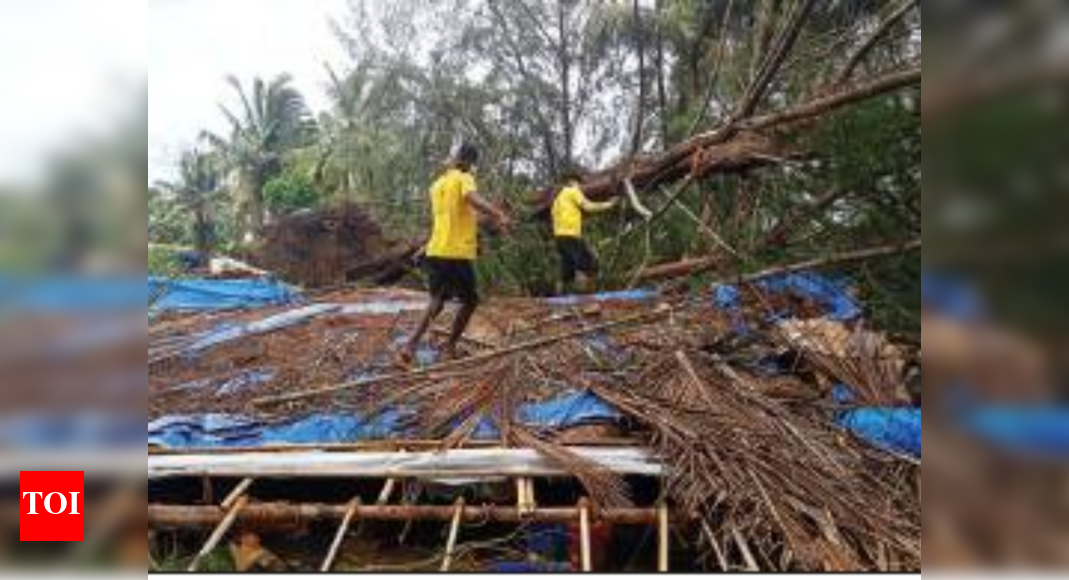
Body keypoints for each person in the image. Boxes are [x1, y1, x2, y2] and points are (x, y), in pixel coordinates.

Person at [403, 143, 511, 363]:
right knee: (470, 301)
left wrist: (425, 246)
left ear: (454, 158)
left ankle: (410, 346)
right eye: (471, 163)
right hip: (455, 253)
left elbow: (448, 219)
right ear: (469, 162)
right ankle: (447, 347)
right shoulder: (463, 178)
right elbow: (473, 199)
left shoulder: (437, 185)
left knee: (437, 300)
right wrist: (499, 214)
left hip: (436, 250)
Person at [551, 168, 617, 294]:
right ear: (572, 181)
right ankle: (586, 297)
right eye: (579, 183)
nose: (580, 186)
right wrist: (609, 204)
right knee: (588, 263)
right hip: (571, 235)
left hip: (559, 237)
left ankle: (558, 299)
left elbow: (559, 216)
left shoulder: (557, 200)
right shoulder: (572, 191)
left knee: (567, 269)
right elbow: (587, 206)